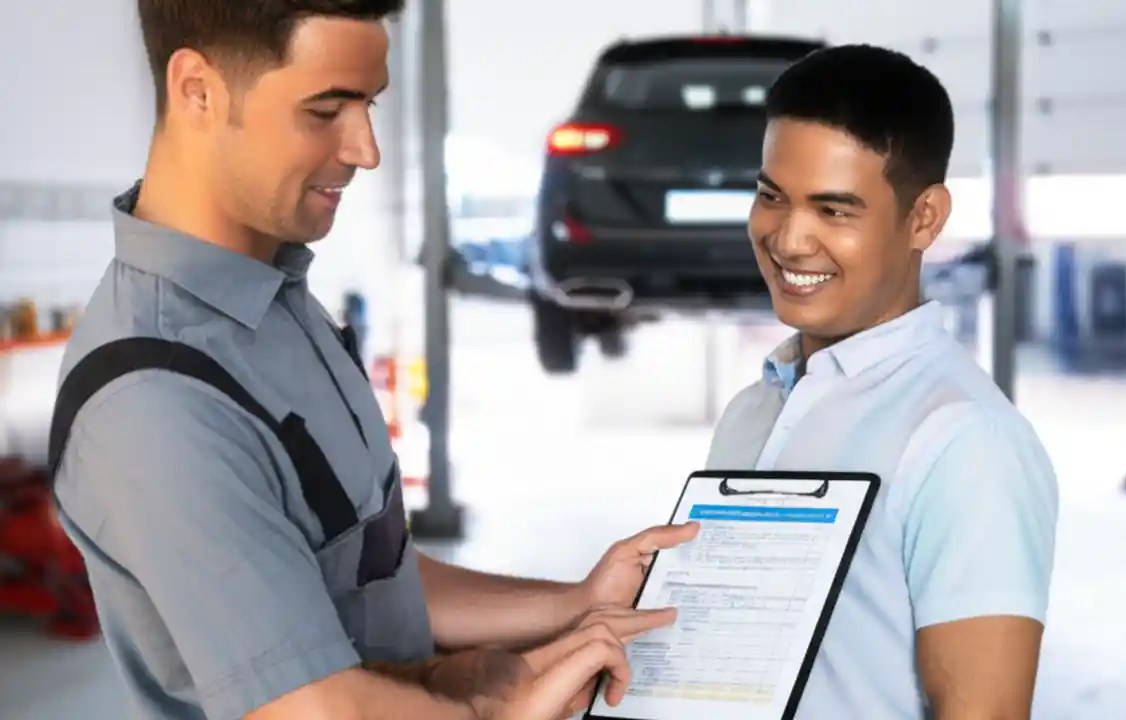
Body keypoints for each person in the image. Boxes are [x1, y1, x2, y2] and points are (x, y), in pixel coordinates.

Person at [48, 1, 698, 718]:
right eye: (326, 110)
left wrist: (576, 603)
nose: (365, 149)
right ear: (198, 89)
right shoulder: (156, 400)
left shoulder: (278, 305)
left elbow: (369, 575)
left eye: (368, 105)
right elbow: (314, 709)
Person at [706, 45, 1059, 719]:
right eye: (771, 197)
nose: (789, 240)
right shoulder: (754, 409)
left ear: (923, 218)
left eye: (834, 211)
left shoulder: (964, 440)